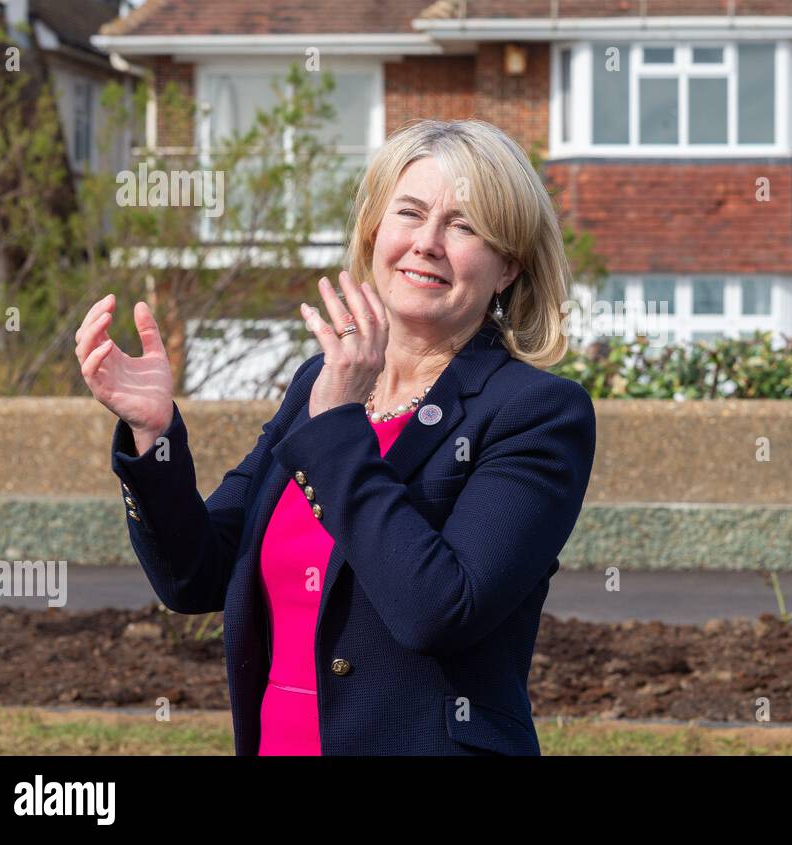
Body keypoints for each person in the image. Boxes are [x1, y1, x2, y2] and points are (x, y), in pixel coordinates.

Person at [76, 118, 597, 755]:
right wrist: (151, 432)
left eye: (464, 226)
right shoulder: (317, 384)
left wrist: (338, 429)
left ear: (508, 266)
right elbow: (197, 576)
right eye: (409, 212)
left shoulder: (537, 412)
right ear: (375, 231)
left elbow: (438, 609)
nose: (427, 243)